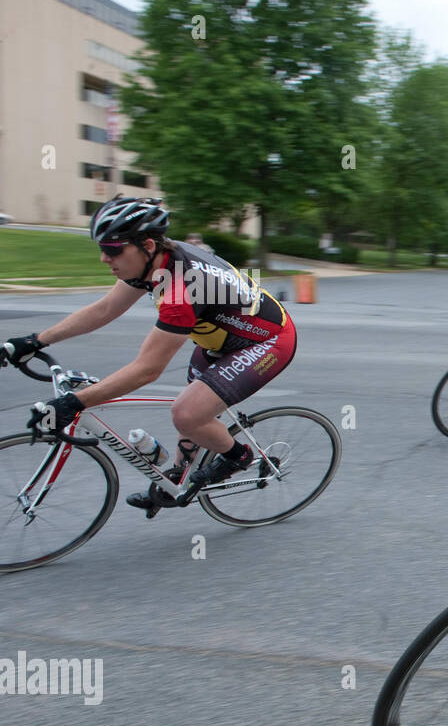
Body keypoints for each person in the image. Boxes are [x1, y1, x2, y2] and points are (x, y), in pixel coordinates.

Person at [2, 195, 296, 516]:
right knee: (192, 416)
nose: (103, 258)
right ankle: (179, 481)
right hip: (221, 336)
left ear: (147, 245)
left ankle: (237, 456)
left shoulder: (180, 290)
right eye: (102, 248)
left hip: (267, 341)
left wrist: (75, 402)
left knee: (186, 412)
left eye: (113, 249)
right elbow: (105, 309)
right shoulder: (154, 262)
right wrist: (35, 340)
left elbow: (147, 370)